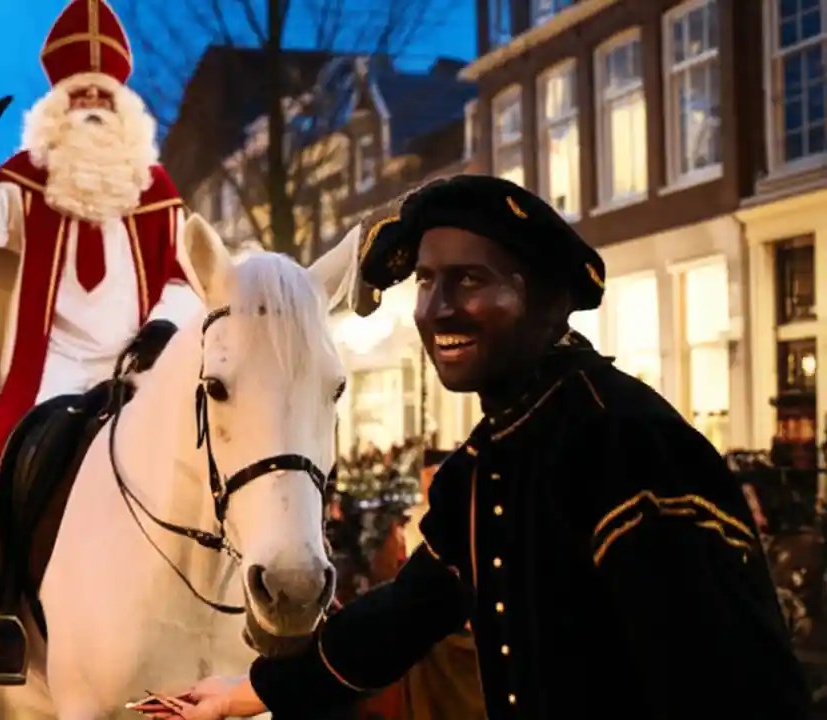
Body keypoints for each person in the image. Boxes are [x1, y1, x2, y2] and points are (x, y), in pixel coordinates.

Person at [146, 175, 812, 720]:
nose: (437, 308)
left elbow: (723, 681)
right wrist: (250, 690)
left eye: (469, 280)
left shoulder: (625, 441)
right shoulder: (486, 459)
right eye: (428, 282)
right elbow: (408, 612)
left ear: (546, 303)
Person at [0, 0, 203, 682]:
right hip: (52, 366)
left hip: (139, 366)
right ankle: (1, 614)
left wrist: (164, 323)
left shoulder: (155, 189)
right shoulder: (29, 180)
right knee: (3, 455)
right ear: (57, 111)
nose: (93, 117)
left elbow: (186, 271)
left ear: (126, 114)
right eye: (81, 104)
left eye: (105, 105)